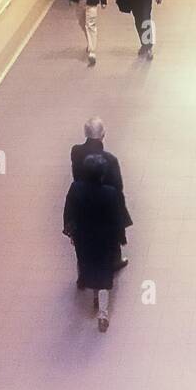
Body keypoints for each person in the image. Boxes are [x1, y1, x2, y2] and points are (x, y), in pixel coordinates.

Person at [62, 155, 122, 333]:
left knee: (87, 265)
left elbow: (68, 211)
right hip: (104, 240)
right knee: (104, 273)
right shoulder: (110, 193)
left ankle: (93, 290)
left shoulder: (75, 188)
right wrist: (119, 237)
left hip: (84, 238)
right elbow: (115, 219)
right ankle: (102, 314)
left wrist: (69, 230)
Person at [70, 118, 131, 278]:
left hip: (83, 198)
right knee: (112, 234)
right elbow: (118, 186)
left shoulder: (76, 151)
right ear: (103, 135)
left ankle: (83, 273)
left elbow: (75, 175)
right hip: (106, 201)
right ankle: (114, 261)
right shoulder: (110, 159)